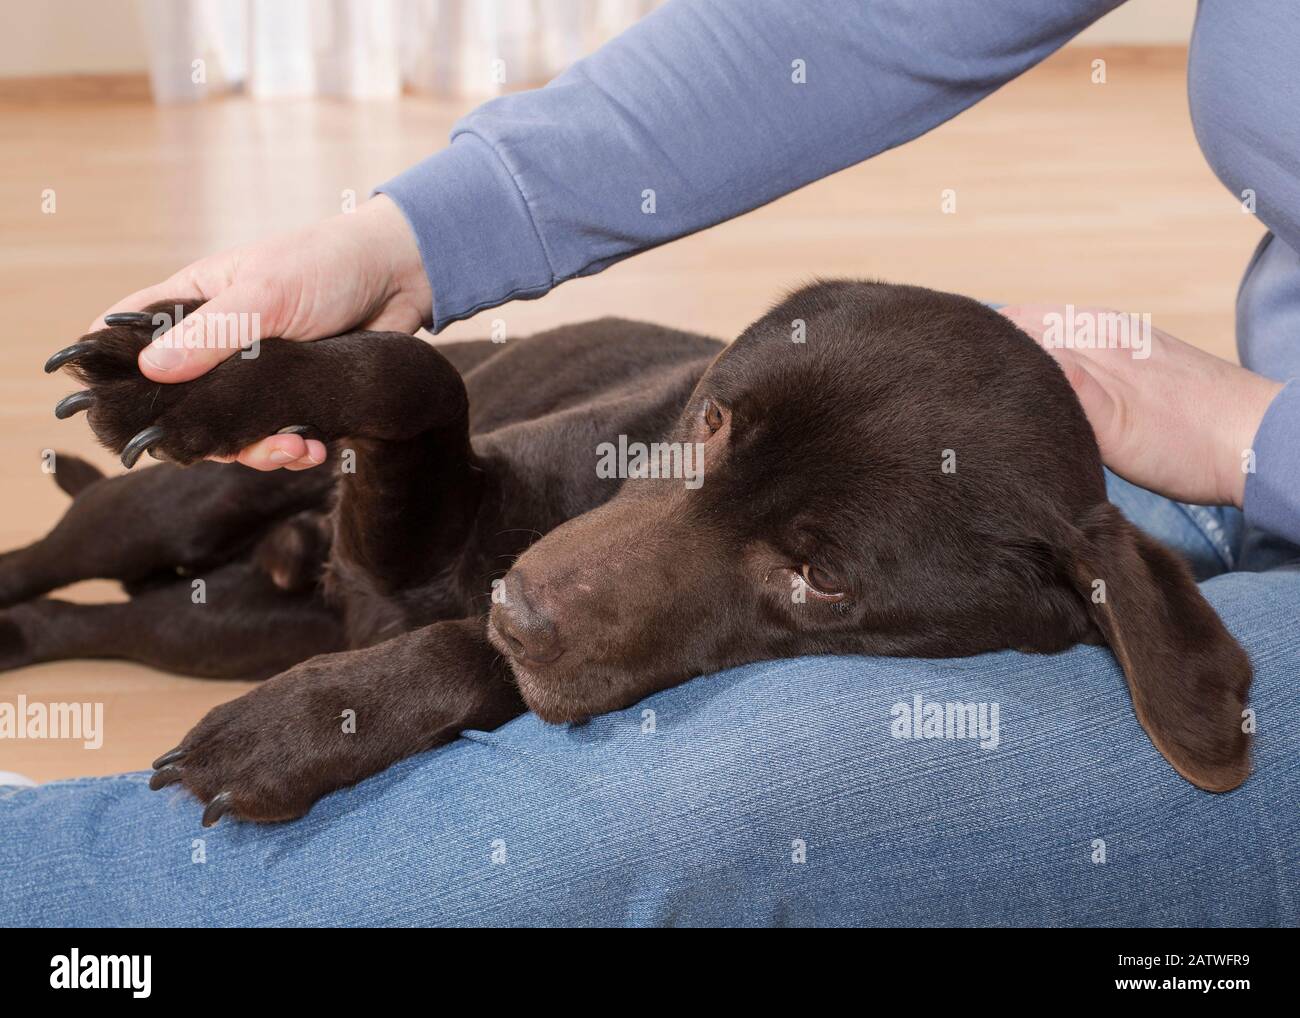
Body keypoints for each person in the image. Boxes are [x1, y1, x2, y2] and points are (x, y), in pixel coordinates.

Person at [3, 0, 1297, 926]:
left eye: (813, 572)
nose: (541, 587)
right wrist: (404, 241)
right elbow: (866, 24)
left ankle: (58, 891)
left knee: (693, 813)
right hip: (1202, 443)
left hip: (1247, 448)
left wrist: (1257, 438)